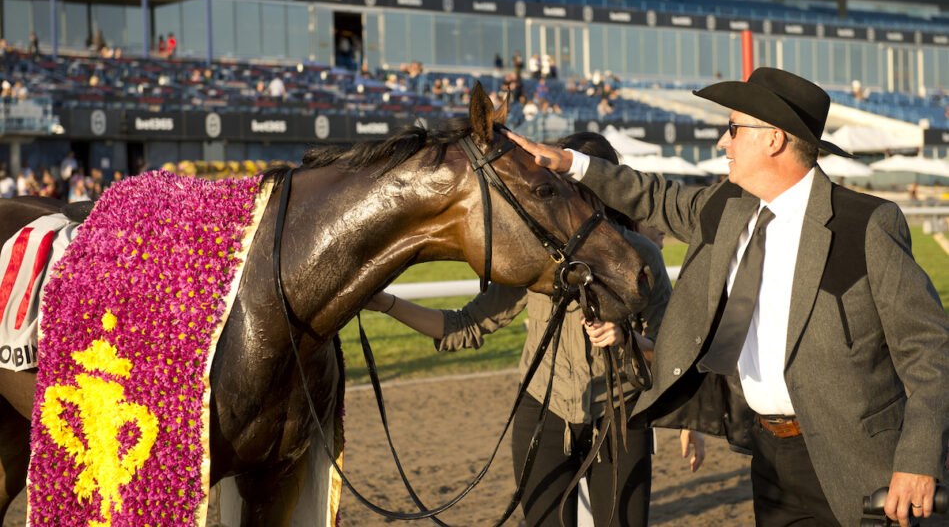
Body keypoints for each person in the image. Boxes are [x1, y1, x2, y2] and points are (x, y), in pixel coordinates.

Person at [505, 67, 949, 527]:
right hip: (769, 456)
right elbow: (652, 196)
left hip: (857, 460)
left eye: (733, 128)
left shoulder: (868, 223)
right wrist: (571, 163)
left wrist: (918, 460)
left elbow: (930, 352)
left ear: (773, 139)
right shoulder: (725, 207)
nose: (723, 142)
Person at [366, 132, 704, 527]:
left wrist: (626, 339)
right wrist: (386, 303)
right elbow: (462, 326)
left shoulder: (640, 255)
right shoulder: (535, 255)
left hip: (621, 418)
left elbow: (670, 352)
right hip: (544, 415)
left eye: (579, 191)